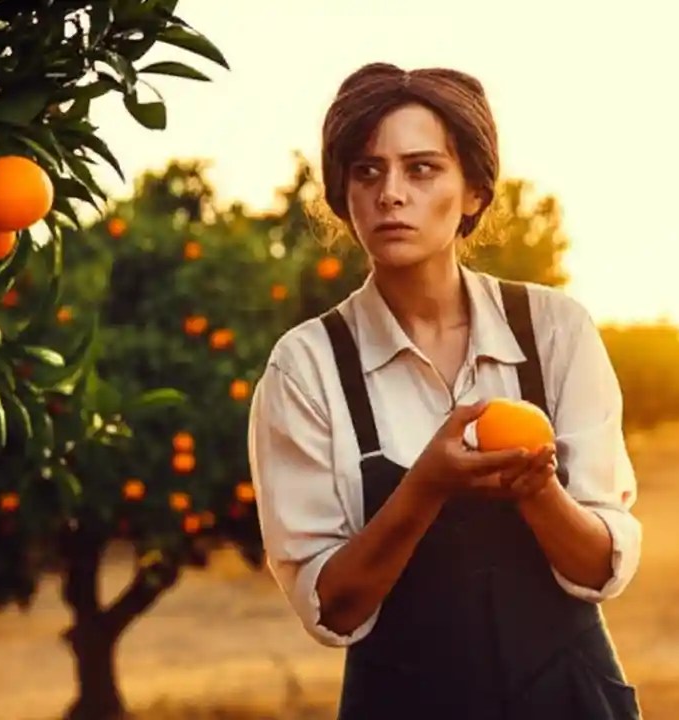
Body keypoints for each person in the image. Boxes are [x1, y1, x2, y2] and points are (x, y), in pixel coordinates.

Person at [247, 62, 643, 719]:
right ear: (343, 193)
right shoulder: (307, 367)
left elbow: (603, 566)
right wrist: (425, 486)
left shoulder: (553, 331)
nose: (390, 194)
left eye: (422, 168)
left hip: (566, 697)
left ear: (474, 193)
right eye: (367, 171)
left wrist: (538, 490)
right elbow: (330, 605)